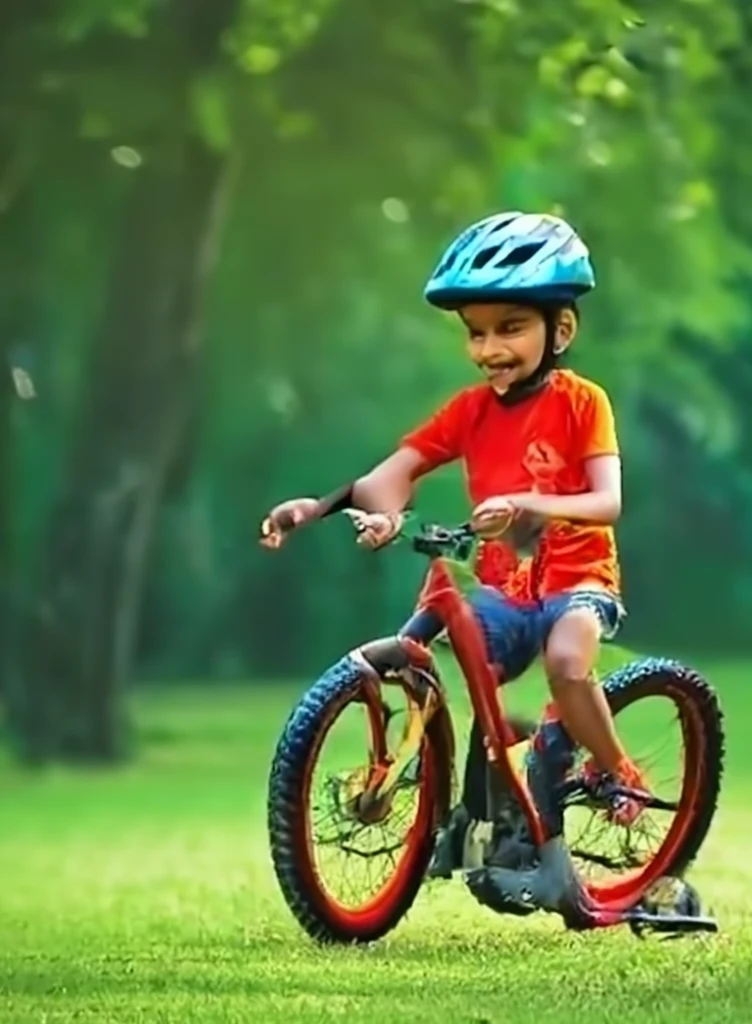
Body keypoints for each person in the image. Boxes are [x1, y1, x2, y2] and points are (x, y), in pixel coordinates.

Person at [260, 210, 645, 877]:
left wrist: (528, 505)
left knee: (565, 661)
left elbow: (606, 501)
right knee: (460, 660)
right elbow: (395, 474)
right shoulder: (470, 411)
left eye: (510, 328)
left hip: (578, 583)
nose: (490, 348)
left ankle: (618, 771)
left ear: (561, 329)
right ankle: (483, 805)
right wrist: (324, 508)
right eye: (476, 332)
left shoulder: (584, 402)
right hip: (504, 588)